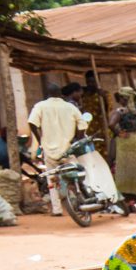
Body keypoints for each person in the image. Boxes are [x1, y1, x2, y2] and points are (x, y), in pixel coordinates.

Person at [27, 83, 88, 217]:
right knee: (77, 177)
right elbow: (82, 125)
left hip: (50, 150)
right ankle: (83, 202)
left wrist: (40, 138)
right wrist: (76, 139)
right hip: (68, 149)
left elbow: (32, 123)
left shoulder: (40, 106)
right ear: (60, 94)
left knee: (52, 179)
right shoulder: (70, 107)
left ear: (47, 94)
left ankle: (57, 209)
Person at [81, 70, 113, 159]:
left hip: (101, 131)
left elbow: (109, 108)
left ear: (98, 81)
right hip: (88, 131)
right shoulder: (84, 95)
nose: (90, 84)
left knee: (104, 157)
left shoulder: (104, 94)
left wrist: (104, 98)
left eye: (92, 82)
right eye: (88, 82)